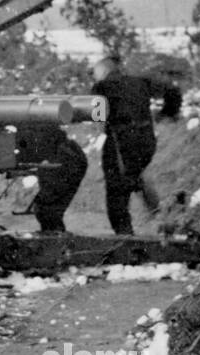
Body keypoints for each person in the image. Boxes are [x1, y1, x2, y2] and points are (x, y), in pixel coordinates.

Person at [90, 54, 182, 236]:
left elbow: (98, 118)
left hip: (121, 140)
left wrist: (105, 124)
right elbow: (172, 90)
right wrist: (167, 113)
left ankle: (124, 235)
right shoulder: (140, 81)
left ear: (102, 71)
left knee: (116, 188)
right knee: (138, 176)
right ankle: (163, 220)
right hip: (147, 139)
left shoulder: (100, 87)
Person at [15, 123, 88, 234]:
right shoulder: (42, 137)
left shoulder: (50, 143)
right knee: (47, 210)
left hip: (62, 160)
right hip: (63, 159)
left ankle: (54, 238)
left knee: (47, 210)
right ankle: (54, 236)